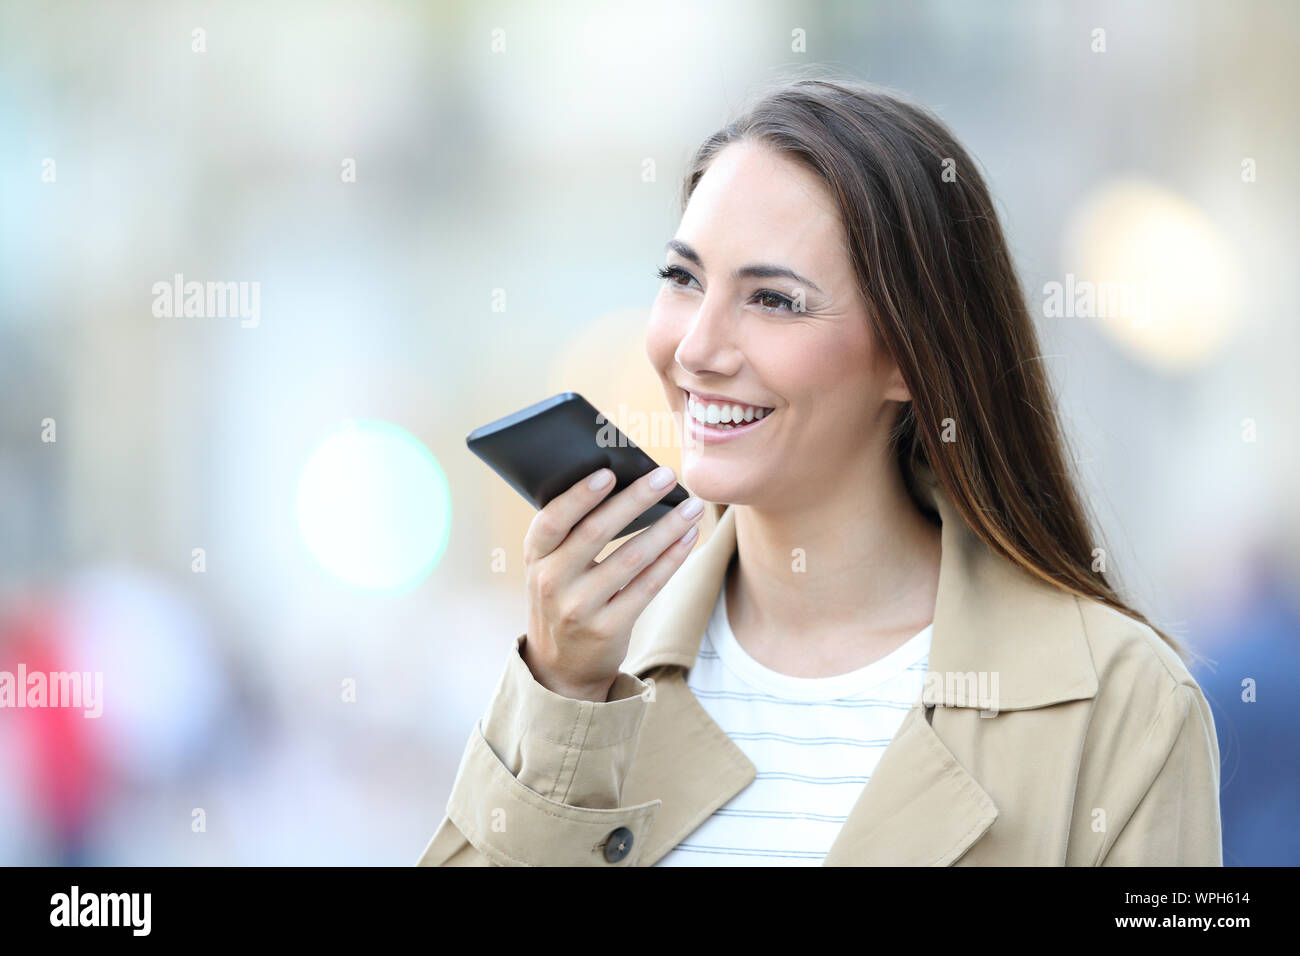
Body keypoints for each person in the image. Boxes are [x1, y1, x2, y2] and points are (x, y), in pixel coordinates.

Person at [416, 76, 1222, 866]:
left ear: (910, 356)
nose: (696, 347)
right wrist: (563, 696)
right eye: (682, 278)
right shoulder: (590, 672)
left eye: (773, 300)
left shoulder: (1120, 705)